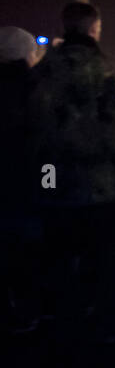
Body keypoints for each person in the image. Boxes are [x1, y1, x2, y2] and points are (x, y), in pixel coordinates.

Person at [28, 0, 115, 342]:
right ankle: (107, 326)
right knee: (107, 262)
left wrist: (44, 182)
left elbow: (35, 133)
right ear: (94, 28)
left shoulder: (43, 71)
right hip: (100, 186)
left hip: (56, 185)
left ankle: (63, 326)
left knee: (60, 261)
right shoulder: (104, 70)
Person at [0, 27, 43, 332]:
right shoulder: (34, 90)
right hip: (26, 187)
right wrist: (50, 186)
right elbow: (46, 145)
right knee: (26, 253)